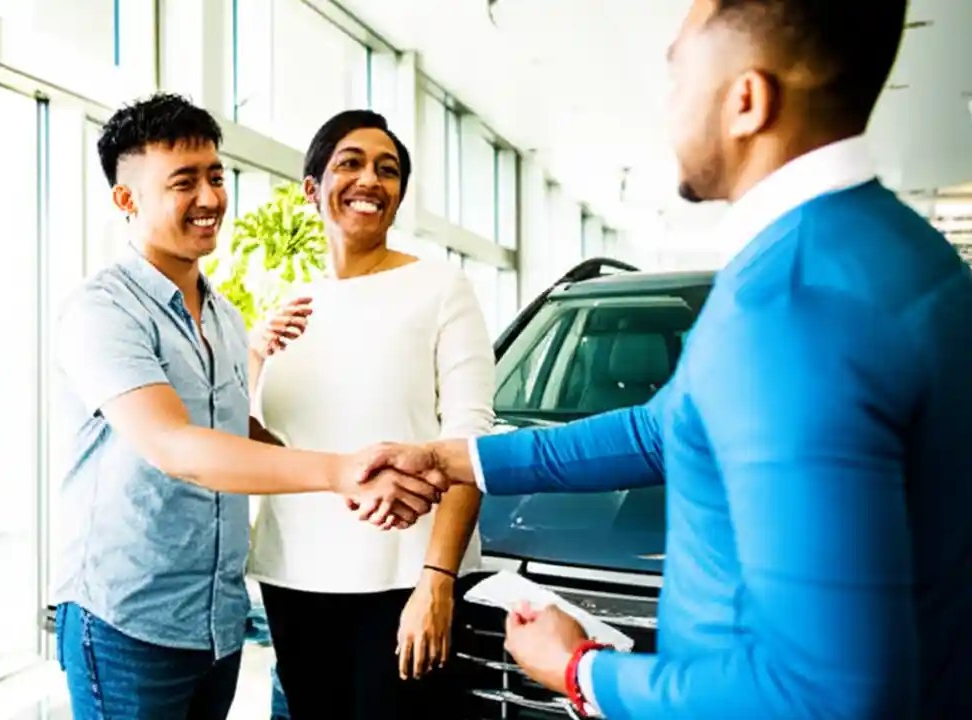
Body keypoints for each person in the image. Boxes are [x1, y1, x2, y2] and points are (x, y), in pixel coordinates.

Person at [367, 0, 972, 717]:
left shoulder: (794, 304)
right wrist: (456, 460)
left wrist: (581, 673)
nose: (667, 103)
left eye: (678, 72)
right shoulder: (895, 252)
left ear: (747, 101)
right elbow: (660, 428)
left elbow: (825, 696)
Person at [51, 94, 451, 720]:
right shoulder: (102, 312)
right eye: (184, 182)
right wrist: (338, 468)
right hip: (126, 621)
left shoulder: (226, 317)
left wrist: (368, 478)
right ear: (127, 200)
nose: (210, 198)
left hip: (215, 622)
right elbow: (176, 447)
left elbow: (243, 436)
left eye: (215, 176)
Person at [246, 110, 494, 720]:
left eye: (388, 170)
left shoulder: (440, 287)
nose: (370, 180)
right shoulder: (292, 306)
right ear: (312, 189)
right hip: (293, 575)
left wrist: (437, 580)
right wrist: (252, 351)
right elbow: (264, 442)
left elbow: (470, 436)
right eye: (349, 163)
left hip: (401, 581)